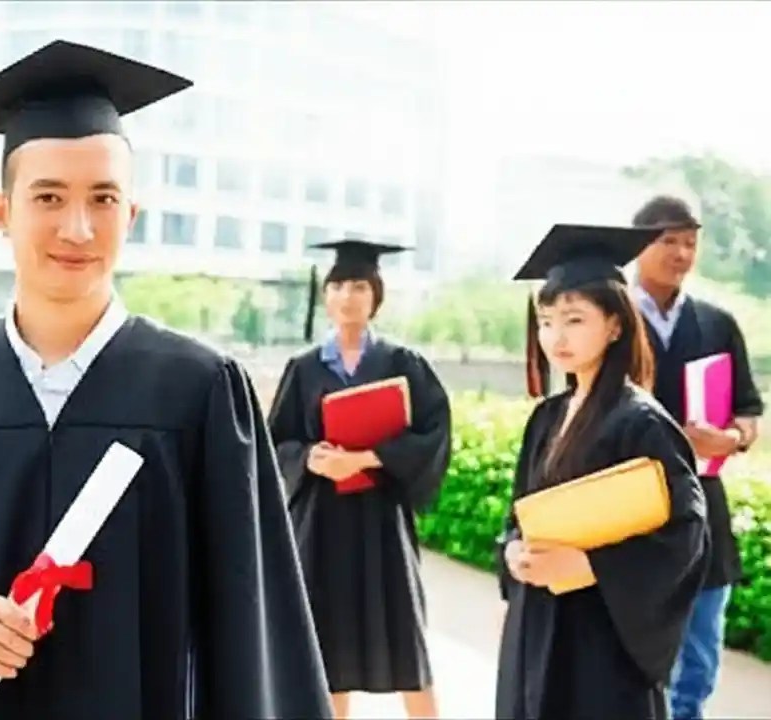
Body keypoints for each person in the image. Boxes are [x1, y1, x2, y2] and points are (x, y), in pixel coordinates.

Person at [0, 40, 332, 720]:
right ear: (1, 210)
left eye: (103, 198)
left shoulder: (200, 392)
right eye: (48, 196)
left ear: (131, 214)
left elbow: (257, 626)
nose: (78, 226)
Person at [495, 224, 710, 719]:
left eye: (574, 320)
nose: (556, 337)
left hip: (602, 641)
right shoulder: (548, 416)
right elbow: (519, 512)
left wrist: (590, 566)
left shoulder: (643, 423)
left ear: (615, 324)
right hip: (539, 624)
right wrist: (513, 551)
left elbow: (686, 534)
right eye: (546, 321)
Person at [269, 240, 451, 719]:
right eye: (338, 286)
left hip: (380, 521)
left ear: (376, 296)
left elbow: (433, 433)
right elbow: (275, 443)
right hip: (322, 523)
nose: (348, 296)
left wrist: (369, 457)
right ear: (326, 296)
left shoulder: (402, 364)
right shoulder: (304, 368)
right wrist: (310, 457)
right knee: (326, 646)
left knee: (405, 639)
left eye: (359, 286)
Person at [628, 195, 764, 719]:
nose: (682, 253)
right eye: (669, 240)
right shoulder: (609, 319)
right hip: (633, 508)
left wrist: (730, 438)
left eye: (690, 242)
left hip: (704, 507)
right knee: (633, 660)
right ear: (640, 244)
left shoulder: (716, 323)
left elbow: (748, 409)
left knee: (700, 660)